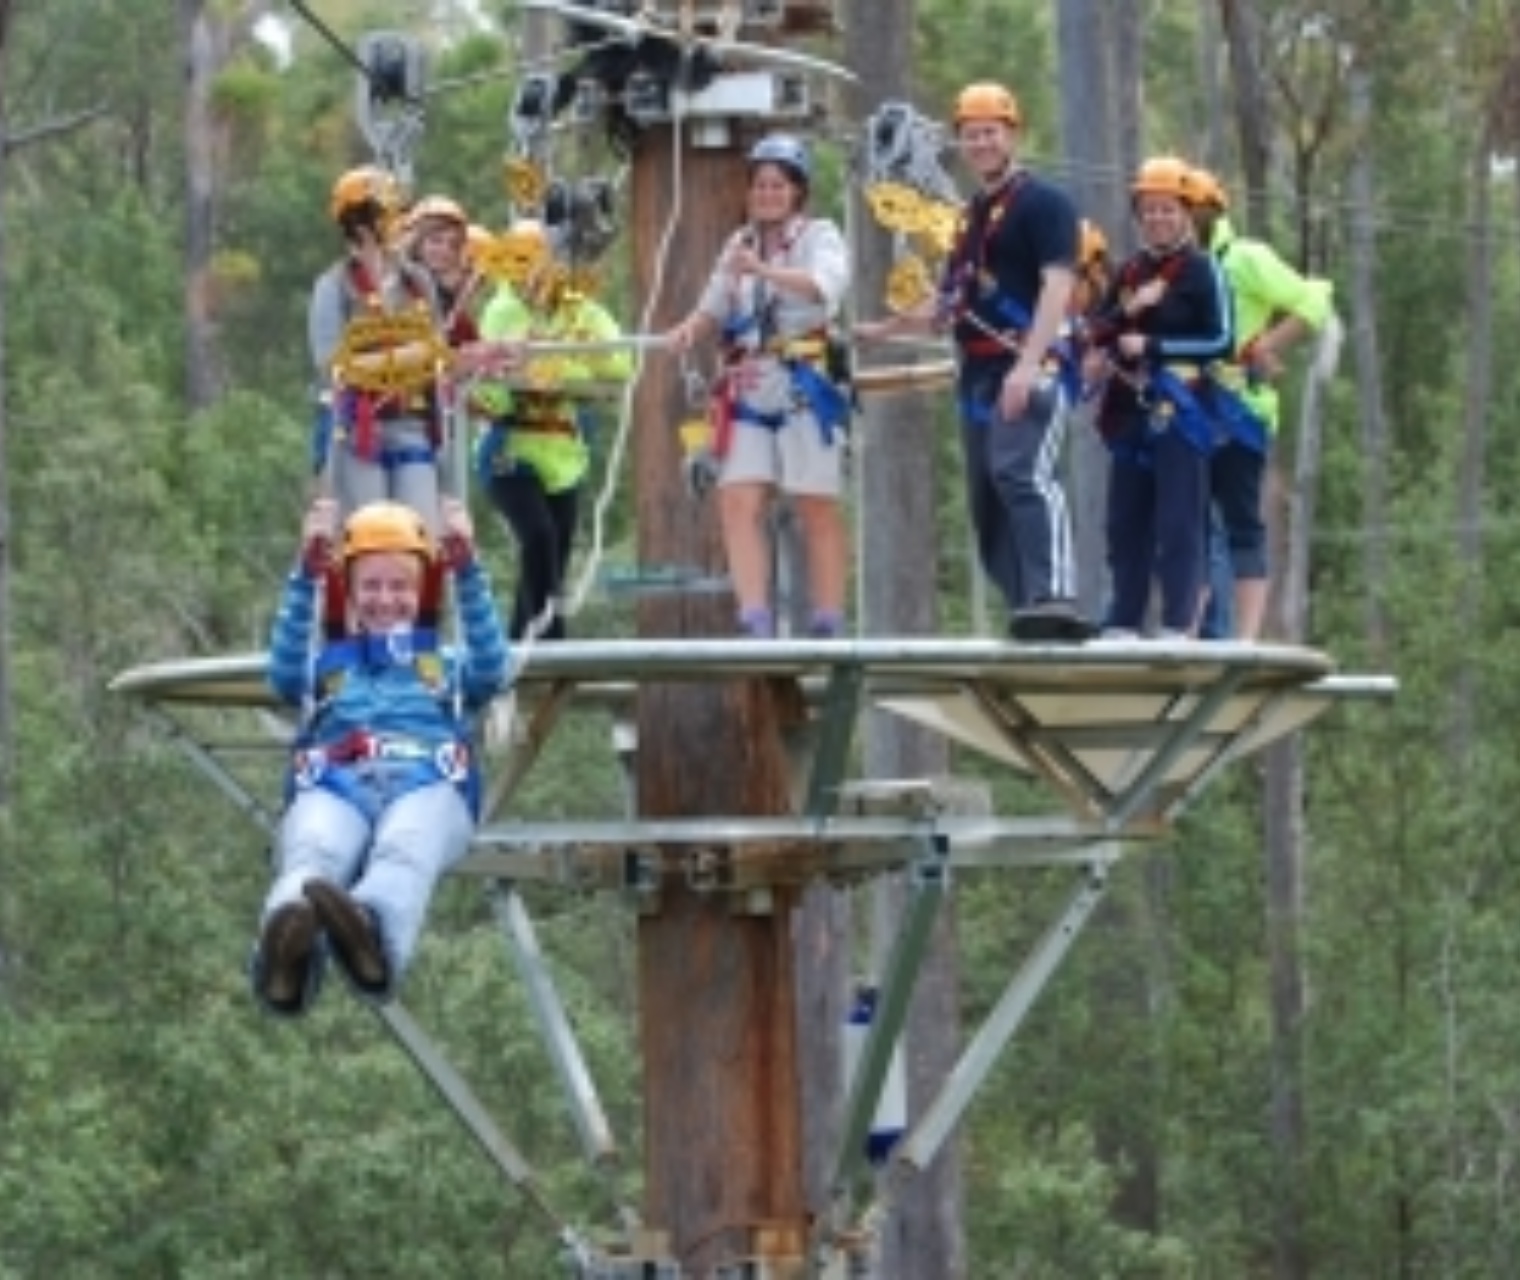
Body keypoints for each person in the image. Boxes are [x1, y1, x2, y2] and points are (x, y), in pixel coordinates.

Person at [250, 497, 510, 1016]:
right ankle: (288, 950)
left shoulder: (445, 665)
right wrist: (306, 571)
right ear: (348, 589)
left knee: (404, 845)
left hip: (427, 784)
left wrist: (467, 567)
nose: (385, 600)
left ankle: (373, 935)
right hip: (338, 784)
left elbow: (492, 666)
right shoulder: (328, 669)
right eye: (370, 585)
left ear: (424, 592)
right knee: (314, 850)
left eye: (400, 587)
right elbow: (281, 672)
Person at [856, 83, 1089, 642]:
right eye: (971, 133)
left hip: (1027, 361)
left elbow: (1058, 285)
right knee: (988, 499)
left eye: (991, 131)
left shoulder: (1044, 203)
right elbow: (952, 299)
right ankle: (1026, 607)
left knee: (1023, 472)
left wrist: (1029, 365)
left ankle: (1054, 593)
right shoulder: (974, 217)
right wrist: (886, 330)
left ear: (1013, 134)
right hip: (980, 370)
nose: (981, 142)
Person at [665, 133, 853, 639]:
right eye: (760, 184)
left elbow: (823, 289)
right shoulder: (738, 243)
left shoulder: (821, 235)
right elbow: (715, 303)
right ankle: (754, 616)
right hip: (749, 384)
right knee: (737, 497)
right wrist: (690, 330)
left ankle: (828, 618)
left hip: (803, 383)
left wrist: (764, 269)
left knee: (814, 501)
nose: (767, 193)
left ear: (797, 191)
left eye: (778, 184)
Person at [1084, 156, 1234, 640]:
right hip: (1131, 405)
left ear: (1186, 213)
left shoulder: (1202, 270)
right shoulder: (1129, 273)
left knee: (1179, 519)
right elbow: (1101, 327)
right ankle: (1124, 618)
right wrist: (1128, 314)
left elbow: (1222, 340)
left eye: (1168, 209)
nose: (1158, 218)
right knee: (1125, 518)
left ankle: (1176, 621)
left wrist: (1155, 345)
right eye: (1149, 210)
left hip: (1182, 404)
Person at [1188, 166, 1335, 640]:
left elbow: (1314, 298)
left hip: (1239, 409)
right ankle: (1192, 633)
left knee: (1238, 521)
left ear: (1209, 211)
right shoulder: (1170, 269)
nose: (1176, 221)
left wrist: (1268, 344)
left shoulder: (1243, 258)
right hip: (1186, 411)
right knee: (1188, 521)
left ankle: (1243, 640)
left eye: (1187, 210)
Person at [470, 219, 632, 640]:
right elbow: (497, 386)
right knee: (537, 536)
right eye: (519, 264)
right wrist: (549, 368)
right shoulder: (502, 310)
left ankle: (521, 642)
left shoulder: (578, 309)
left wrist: (559, 365)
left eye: (537, 262)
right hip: (509, 445)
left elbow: (618, 366)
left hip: (561, 448)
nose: (529, 275)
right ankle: (549, 638)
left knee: (553, 555)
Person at [309, 166, 449, 530]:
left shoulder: (417, 283)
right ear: (361, 224)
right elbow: (331, 364)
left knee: (421, 534)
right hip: (359, 428)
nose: (400, 223)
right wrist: (404, 358)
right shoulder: (335, 287)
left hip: (412, 423)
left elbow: (438, 351)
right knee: (369, 533)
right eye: (389, 214)